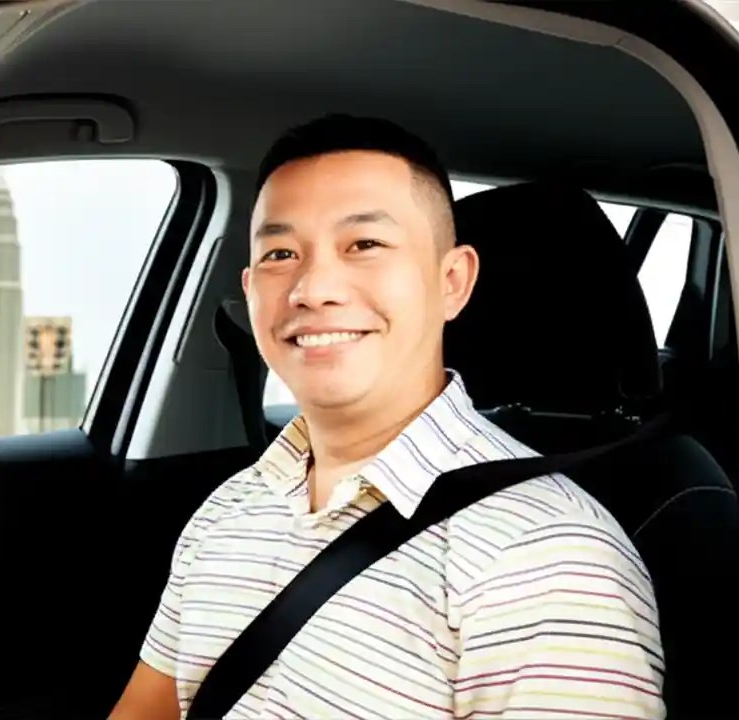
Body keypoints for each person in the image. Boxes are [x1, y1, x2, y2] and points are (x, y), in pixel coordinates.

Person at [109, 114, 665, 719]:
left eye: (365, 245)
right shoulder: (228, 511)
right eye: (280, 253)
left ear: (453, 281)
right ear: (248, 290)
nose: (313, 287)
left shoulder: (548, 558)